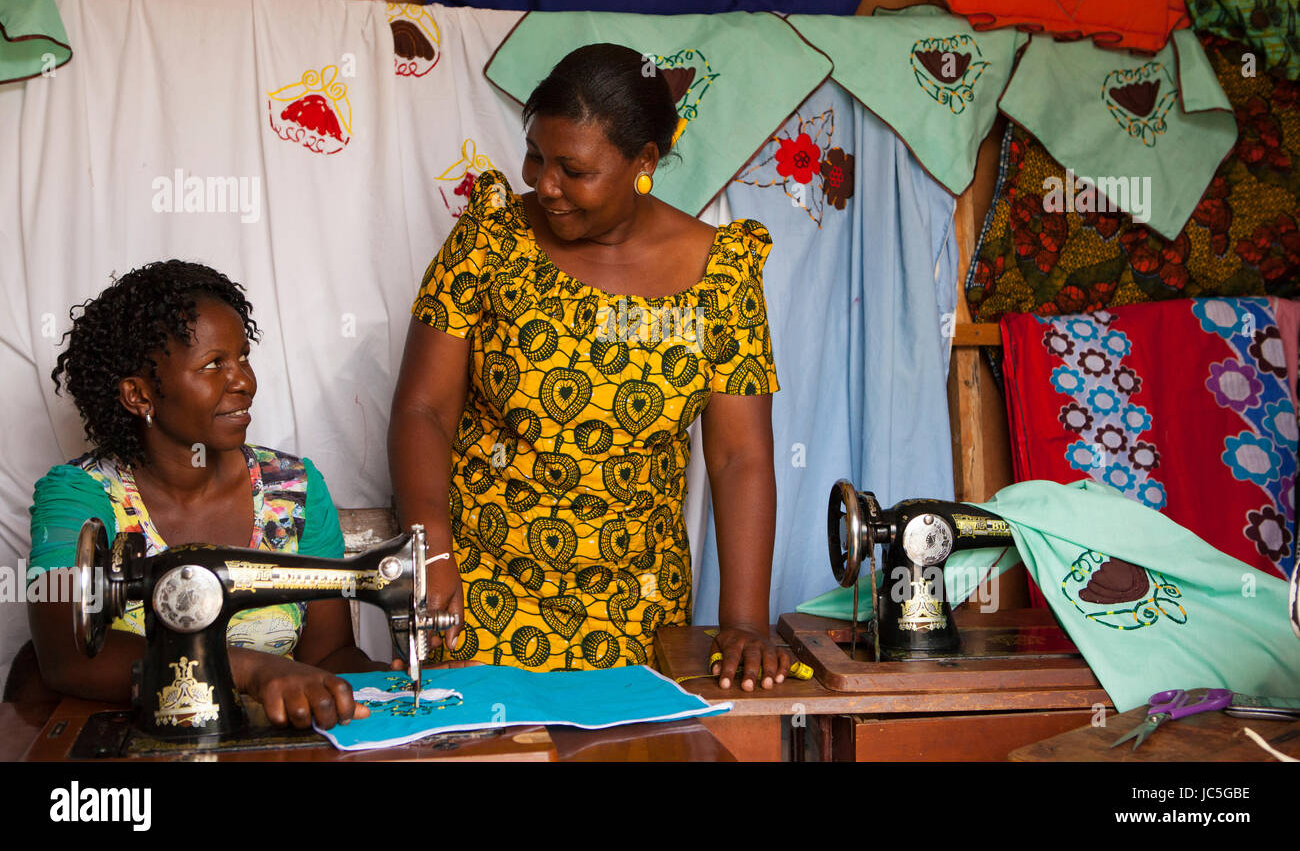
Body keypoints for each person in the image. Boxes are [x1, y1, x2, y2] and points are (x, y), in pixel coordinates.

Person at [390, 43, 792, 690]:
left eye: (573, 170)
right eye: (536, 157)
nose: (544, 185)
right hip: (478, 591)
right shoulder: (491, 239)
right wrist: (432, 553)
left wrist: (743, 621)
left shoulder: (722, 276)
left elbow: (739, 457)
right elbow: (423, 409)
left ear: (644, 163)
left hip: (639, 611)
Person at [28, 261, 415, 729]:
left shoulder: (294, 490)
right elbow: (66, 658)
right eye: (214, 364)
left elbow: (328, 656)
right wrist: (251, 669)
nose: (245, 382)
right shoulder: (79, 496)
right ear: (139, 396)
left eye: (243, 357)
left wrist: (396, 684)